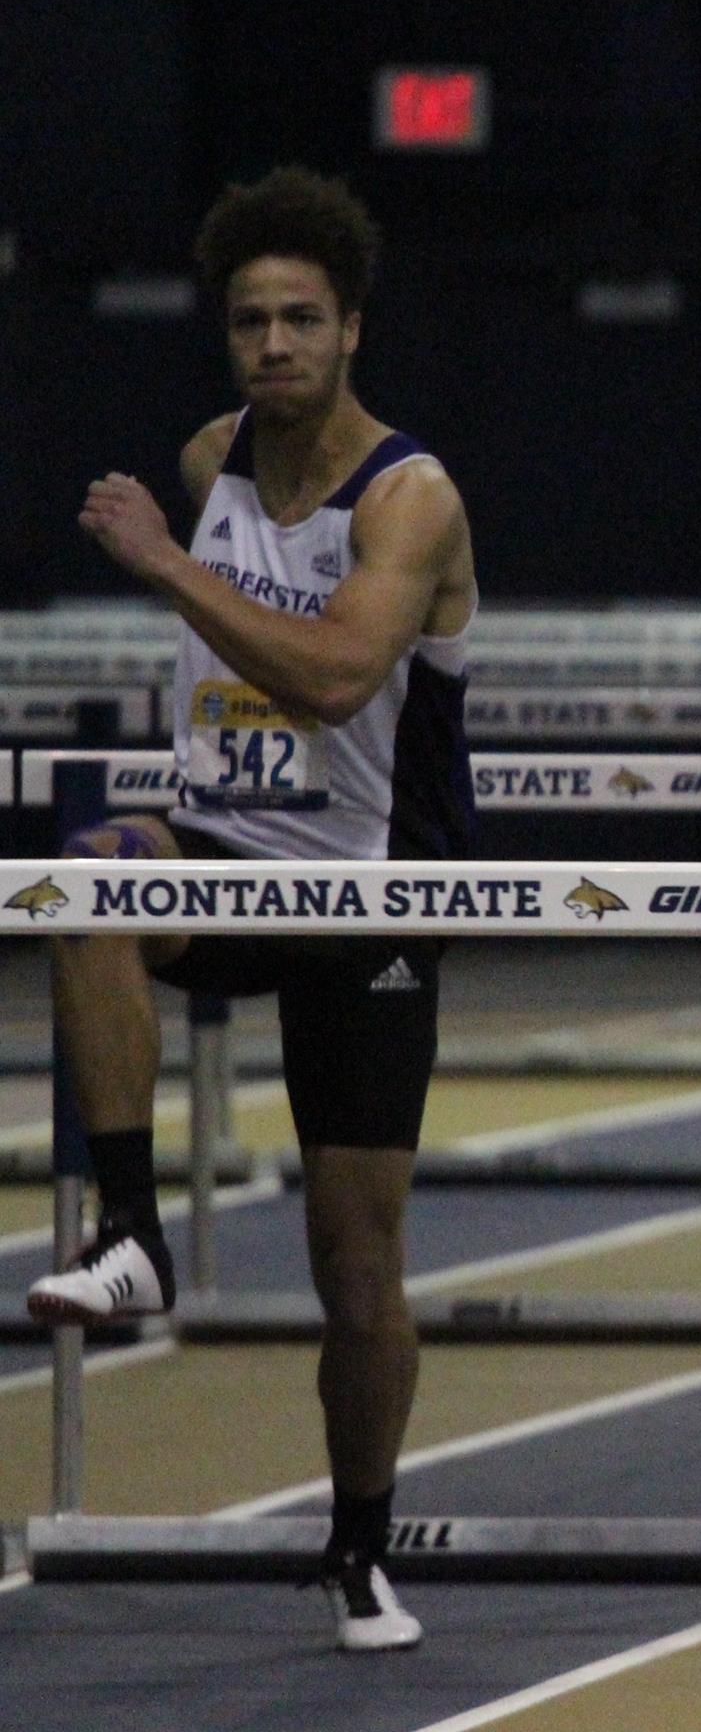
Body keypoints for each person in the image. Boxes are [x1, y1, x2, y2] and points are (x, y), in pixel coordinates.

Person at [23, 167, 478, 1653]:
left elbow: (343, 676)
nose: (272, 345)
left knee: (359, 1265)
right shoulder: (214, 454)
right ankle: (133, 1228)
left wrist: (160, 560)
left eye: (300, 320)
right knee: (88, 869)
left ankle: (358, 1544)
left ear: (352, 330)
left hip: (366, 890)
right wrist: (183, 543)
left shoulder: (409, 498)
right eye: (247, 321)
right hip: (222, 841)